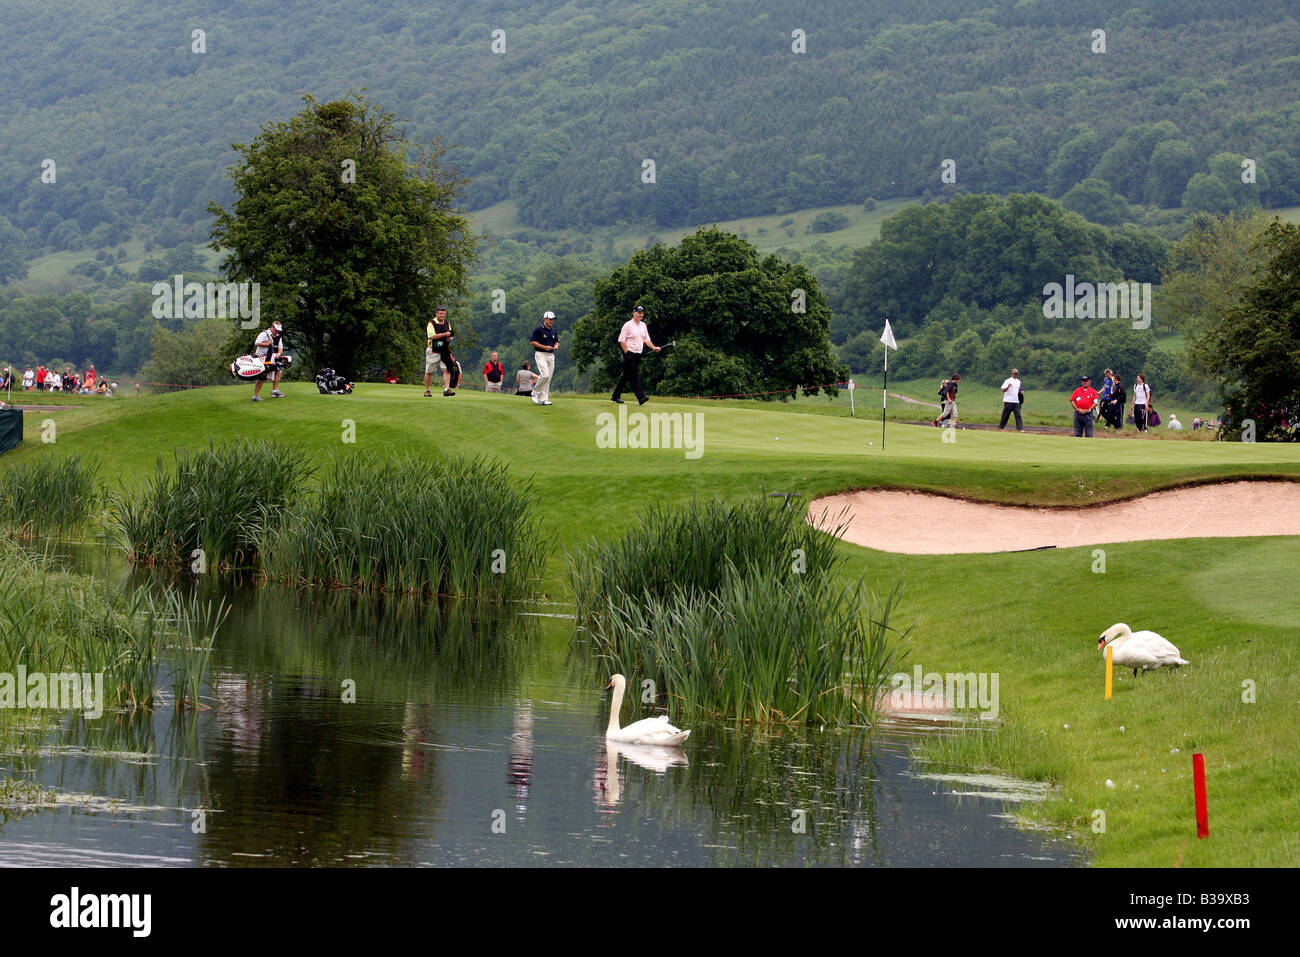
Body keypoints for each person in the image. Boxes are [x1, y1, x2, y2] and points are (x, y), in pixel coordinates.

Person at [611, 305, 660, 405]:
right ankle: (641, 397)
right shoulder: (627, 325)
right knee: (634, 376)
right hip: (629, 354)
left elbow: (646, 339)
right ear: (634, 313)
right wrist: (627, 352)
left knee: (626, 376)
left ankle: (615, 395)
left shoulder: (643, 326)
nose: (641, 314)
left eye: (642, 313)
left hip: (638, 354)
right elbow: (621, 340)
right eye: (639, 312)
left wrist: (654, 347)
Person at [251, 320, 287, 402]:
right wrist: (267, 344)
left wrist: (279, 353)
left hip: (270, 359)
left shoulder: (278, 337)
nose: (277, 331)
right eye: (276, 329)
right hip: (260, 358)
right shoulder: (264, 334)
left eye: (278, 330)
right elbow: (256, 343)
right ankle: (255, 396)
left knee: (279, 370)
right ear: (272, 327)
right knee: (262, 377)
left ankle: (274, 391)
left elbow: (280, 347)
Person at [529, 311, 559, 406]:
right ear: (545, 319)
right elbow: (532, 342)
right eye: (550, 319)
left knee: (548, 378)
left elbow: (557, 341)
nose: (551, 321)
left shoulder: (553, 330)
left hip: (550, 355)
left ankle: (543, 399)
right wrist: (544, 347)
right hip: (540, 354)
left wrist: (556, 345)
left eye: (552, 319)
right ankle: (535, 391)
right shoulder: (538, 329)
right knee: (545, 375)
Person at [424, 306, 455, 397]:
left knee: (447, 369)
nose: (442, 315)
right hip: (433, 350)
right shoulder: (431, 323)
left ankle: (446, 389)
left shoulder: (447, 323)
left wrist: (450, 338)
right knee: (429, 371)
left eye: (443, 314)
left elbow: (451, 334)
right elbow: (432, 337)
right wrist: (445, 334)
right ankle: (427, 390)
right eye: (440, 313)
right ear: (436, 314)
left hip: (444, 350)